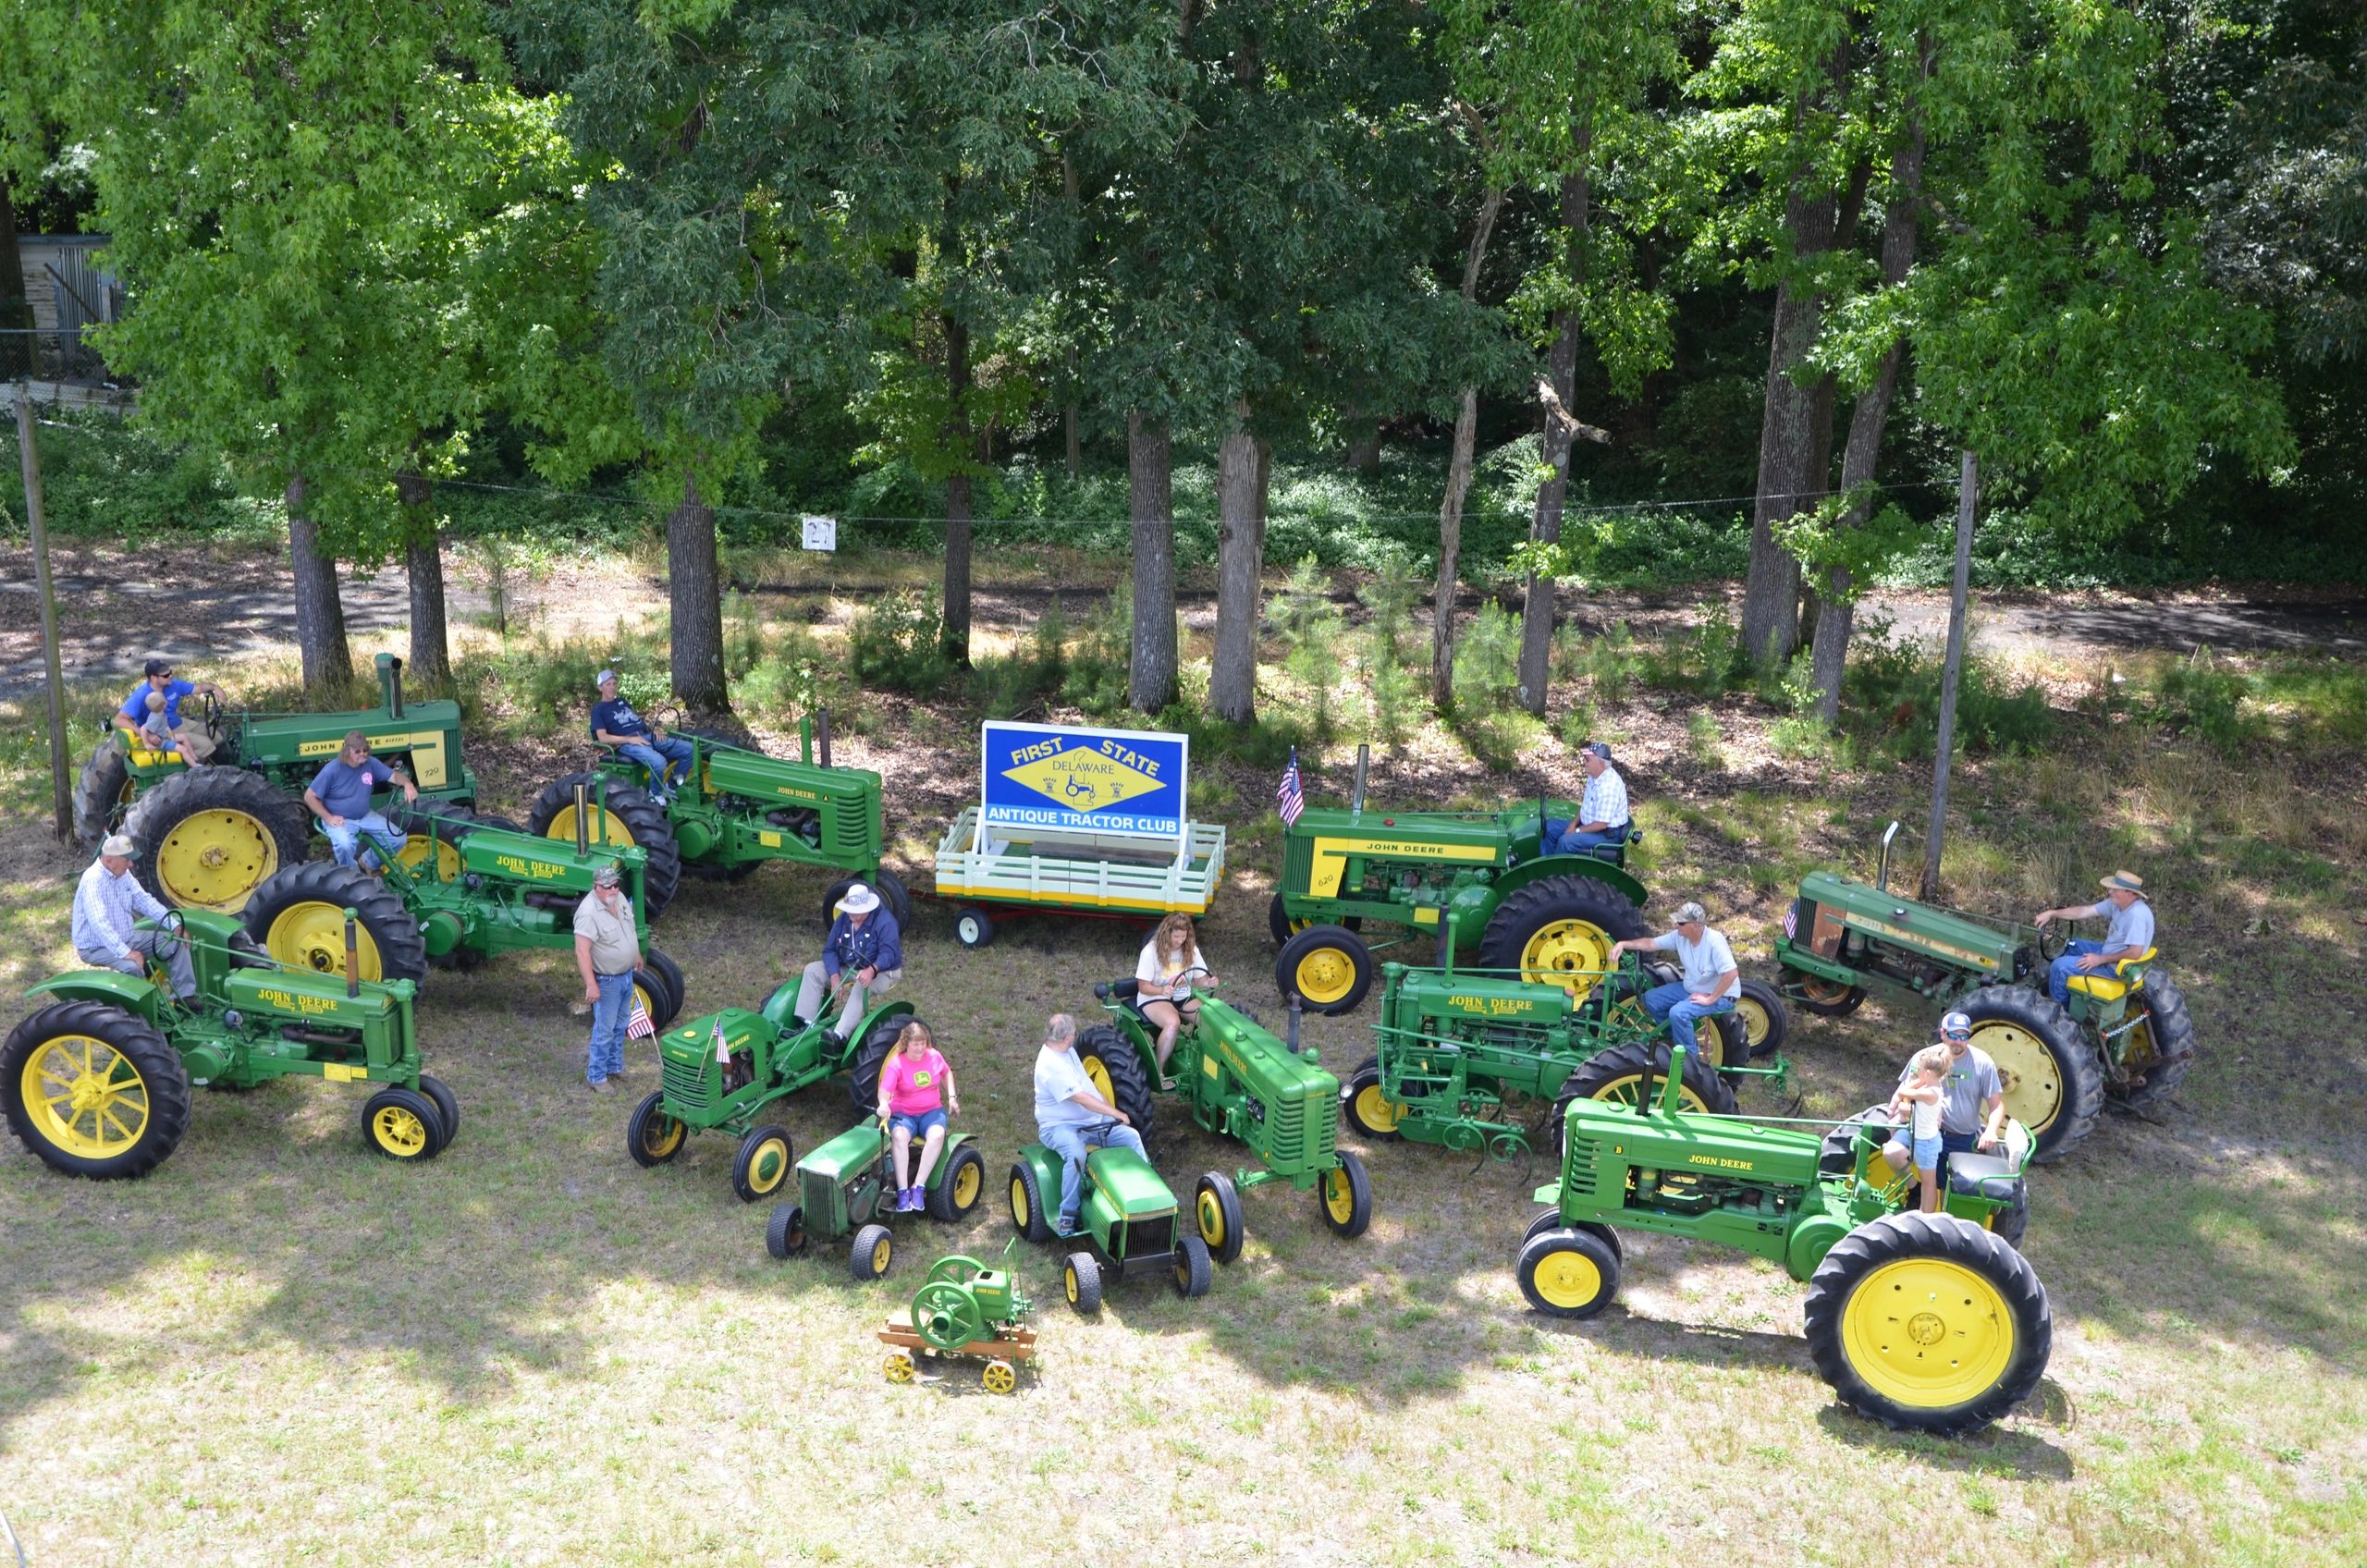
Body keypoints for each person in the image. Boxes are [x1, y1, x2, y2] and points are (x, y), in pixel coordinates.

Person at [1032, 1012, 1146, 1237]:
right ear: (1065, 1038)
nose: (1074, 1038)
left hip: (1090, 1121)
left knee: (1131, 1137)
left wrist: (1107, 1107)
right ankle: (1068, 1214)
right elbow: (1080, 1098)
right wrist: (1115, 1112)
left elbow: (1087, 1086)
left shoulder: (1069, 1052)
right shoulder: (1049, 1065)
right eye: (1073, 1034)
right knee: (1077, 1155)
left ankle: (1146, 1189)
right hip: (1059, 1126)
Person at [1879, 1011, 2009, 1187]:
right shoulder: (1924, 1058)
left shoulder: (1983, 1063)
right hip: (1921, 1129)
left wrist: (1991, 1131)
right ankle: (1913, 1189)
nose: (1958, 1042)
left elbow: (1996, 1105)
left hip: (1959, 1137)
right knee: (1892, 1152)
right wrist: (1903, 1110)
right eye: (1953, 1036)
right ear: (1942, 1034)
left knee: (1947, 1189)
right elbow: (1904, 1093)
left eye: (1964, 1036)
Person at [73, 834, 197, 1003]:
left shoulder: (123, 874)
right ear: (110, 861)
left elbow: (144, 901)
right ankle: (150, 1012)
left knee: (176, 941)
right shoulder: (92, 881)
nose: (131, 864)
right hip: (98, 946)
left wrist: (174, 926)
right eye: (127, 860)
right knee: (133, 967)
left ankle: (185, 998)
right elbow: (100, 924)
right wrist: (126, 953)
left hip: (127, 937)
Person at [1609, 900, 1738, 1056]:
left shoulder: (1714, 941)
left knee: (1678, 1013)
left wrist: (1711, 999)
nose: (1677, 925)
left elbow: (1731, 973)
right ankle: (1676, 1038)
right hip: (1692, 989)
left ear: (1696, 925)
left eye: (1681, 923)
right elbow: (1650, 944)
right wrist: (1623, 944)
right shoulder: (1679, 936)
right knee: (1651, 999)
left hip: (1721, 995)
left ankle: (1690, 1059)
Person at [791, 883, 903, 1045]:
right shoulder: (844, 919)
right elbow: (829, 950)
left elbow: (889, 954)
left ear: (867, 908)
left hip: (883, 971)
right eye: (850, 909)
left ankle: (840, 1035)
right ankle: (808, 1024)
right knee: (813, 970)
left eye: (856, 911)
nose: (852, 913)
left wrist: (872, 970)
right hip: (850, 965)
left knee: (862, 984)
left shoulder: (885, 922)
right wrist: (834, 975)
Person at [572, 864, 647, 1093]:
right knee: (604, 1030)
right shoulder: (588, 913)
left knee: (621, 1024)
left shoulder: (620, 899)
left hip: (625, 976)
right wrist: (591, 984)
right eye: (607, 886)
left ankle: (615, 1066)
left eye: (616, 884)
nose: (613, 890)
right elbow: (582, 951)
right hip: (607, 981)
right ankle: (596, 1076)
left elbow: (628, 929)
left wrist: (635, 954)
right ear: (596, 887)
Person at [873, 1019, 960, 1213]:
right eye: (915, 1044)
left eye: (923, 1043)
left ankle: (918, 1187)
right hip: (905, 1115)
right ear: (906, 1044)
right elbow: (884, 1091)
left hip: (931, 1112)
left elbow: (946, 1073)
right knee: (899, 1137)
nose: (920, 1048)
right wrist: (884, 1104)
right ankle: (903, 1191)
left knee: (937, 1135)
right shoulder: (897, 1063)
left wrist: (952, 1097)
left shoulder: (934, 1056)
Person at [2035, 871, 2157, 1007]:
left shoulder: (2136, 915)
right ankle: (2065, 988)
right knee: (2072, 944)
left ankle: (2058, 1013)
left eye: (2115, 889)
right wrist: (2052, 913)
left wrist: (2099, 959)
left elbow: (2135, 953)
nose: (2109, 892)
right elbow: (2084, 911)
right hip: (2109, 953)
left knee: (2059, 967)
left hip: (2117, 969)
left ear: (2129, 893)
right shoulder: (2117, 904)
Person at [303, 730, 420, 872]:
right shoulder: (332, 769)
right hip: (340, 819)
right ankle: (351, 875)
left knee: (398, 840)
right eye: (357, 751)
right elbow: (309, 796)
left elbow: (394, 776)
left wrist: (408, 784)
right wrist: (328, 817)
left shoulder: (371, 764)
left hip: (365, 815)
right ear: (347, 751)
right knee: (345, 844)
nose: (362, 754)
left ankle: (368, 862)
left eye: (365, 750)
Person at [590, 669, 693, 806]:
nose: (612, 687)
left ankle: (671, 787)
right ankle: (655, 795)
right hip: (628, 743)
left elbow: (635, 722)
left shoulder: (622, 702)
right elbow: (602, 738)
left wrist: (654, 730)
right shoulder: (598, 710)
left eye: (614, 683)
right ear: (600, 687)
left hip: (646, 736)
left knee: (690, 749)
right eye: (608, 684)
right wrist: (630, 740)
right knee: (659, 762)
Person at [1134, 913, 1219, 1070]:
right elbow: (1143, 986)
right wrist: (1161, 990)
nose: (1180, 941)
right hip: (1155, 997)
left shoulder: (1191, 950)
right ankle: (1160, 1069)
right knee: (1173, 1023)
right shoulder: (1150, 951)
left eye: (1184, 937)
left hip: (1183, 997)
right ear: (1167, 933)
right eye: (1176, 937)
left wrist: (1210, 982)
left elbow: (1200, 980)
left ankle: (1205, 1065)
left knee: (1211, 1020)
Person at [113, 658, 223, 763]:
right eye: (166, 675)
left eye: (170, 672)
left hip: (178, 723)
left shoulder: (173, 684)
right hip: (163, 732)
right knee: (206, 745)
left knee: (217, 736)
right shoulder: (141, 695)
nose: (170, 676)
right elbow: (119, 720)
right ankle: (190, 770)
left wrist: (214, 687)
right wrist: (147, 736)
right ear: (153, 678)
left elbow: (198, 688)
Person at [1884, 1044, 1952, 1213]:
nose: (1916, 1074)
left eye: (1919, 1071)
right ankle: (1922, 1213)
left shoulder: (1931, 1093)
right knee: (1926, 1181)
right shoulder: (1929, 1087)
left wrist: (1916, 1082)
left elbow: (1905, 1092)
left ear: (1928, 1074)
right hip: (1920, 1138)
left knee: (1929, 1183)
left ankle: (1925, 1218)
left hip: (1927, 1143)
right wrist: (1921, 1080)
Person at [1545, 741, 1631, 856]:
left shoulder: (1610, 786)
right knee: (1549, 827)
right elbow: (1585, 807)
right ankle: (1546, 865)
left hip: (1606, 835)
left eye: (1588, 759)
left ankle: (1558, 872)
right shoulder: (1594, 776)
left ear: (1600, 763)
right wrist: (1573, 824)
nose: (1584, 762)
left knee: (1566, 842)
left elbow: (1601, 824)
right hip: (1590, 826)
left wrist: (1576, 831)